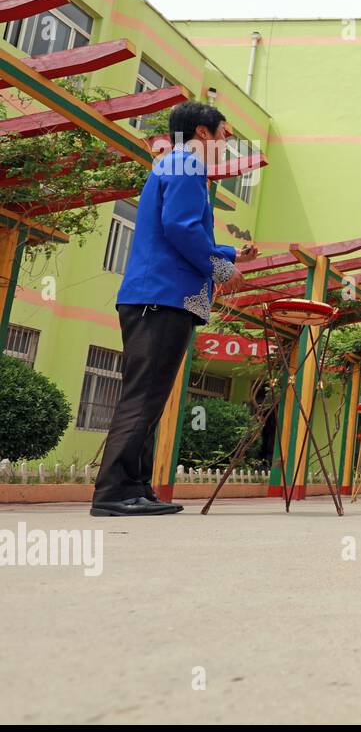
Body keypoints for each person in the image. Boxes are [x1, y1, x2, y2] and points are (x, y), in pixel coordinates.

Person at [90, 102, 256, 517]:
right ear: (203, 133)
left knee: (151, 397)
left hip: (160, 295)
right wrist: (221, 268)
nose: (228, 141)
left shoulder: (177, 166)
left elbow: (184, 230)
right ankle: (113, 492)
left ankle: (135, 488)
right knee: (143, 395)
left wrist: (231, 252)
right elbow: (180, 228)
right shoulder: (186, 167)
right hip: (161, 296)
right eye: (225, 134)